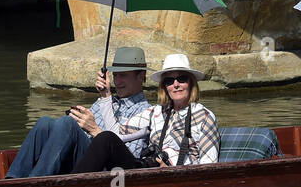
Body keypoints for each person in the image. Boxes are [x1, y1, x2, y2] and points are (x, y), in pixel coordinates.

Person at [4, 47, 152, 178]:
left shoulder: (146, 111)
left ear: (141, 76)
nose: (117, 82)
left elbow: (128, 156)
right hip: (80, 159)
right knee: (46, 123)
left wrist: (93, 129)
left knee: (66, 123)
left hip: (106, 169)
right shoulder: (106, 101)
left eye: (123, 75)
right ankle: (12, 179)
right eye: (115, 75)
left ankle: (35, 183)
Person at [71, 53, 220, 173]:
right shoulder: (155, 112)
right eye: (169, 81)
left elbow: (209, 169)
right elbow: (115, 133)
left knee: (105, 137)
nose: (175, 85)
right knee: (106, 138)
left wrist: (174, 170)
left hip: (177, 179)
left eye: (181, 79)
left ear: (191, 83)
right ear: (164, 86)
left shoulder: (204, 117)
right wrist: (106, 96)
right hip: (145, 172)